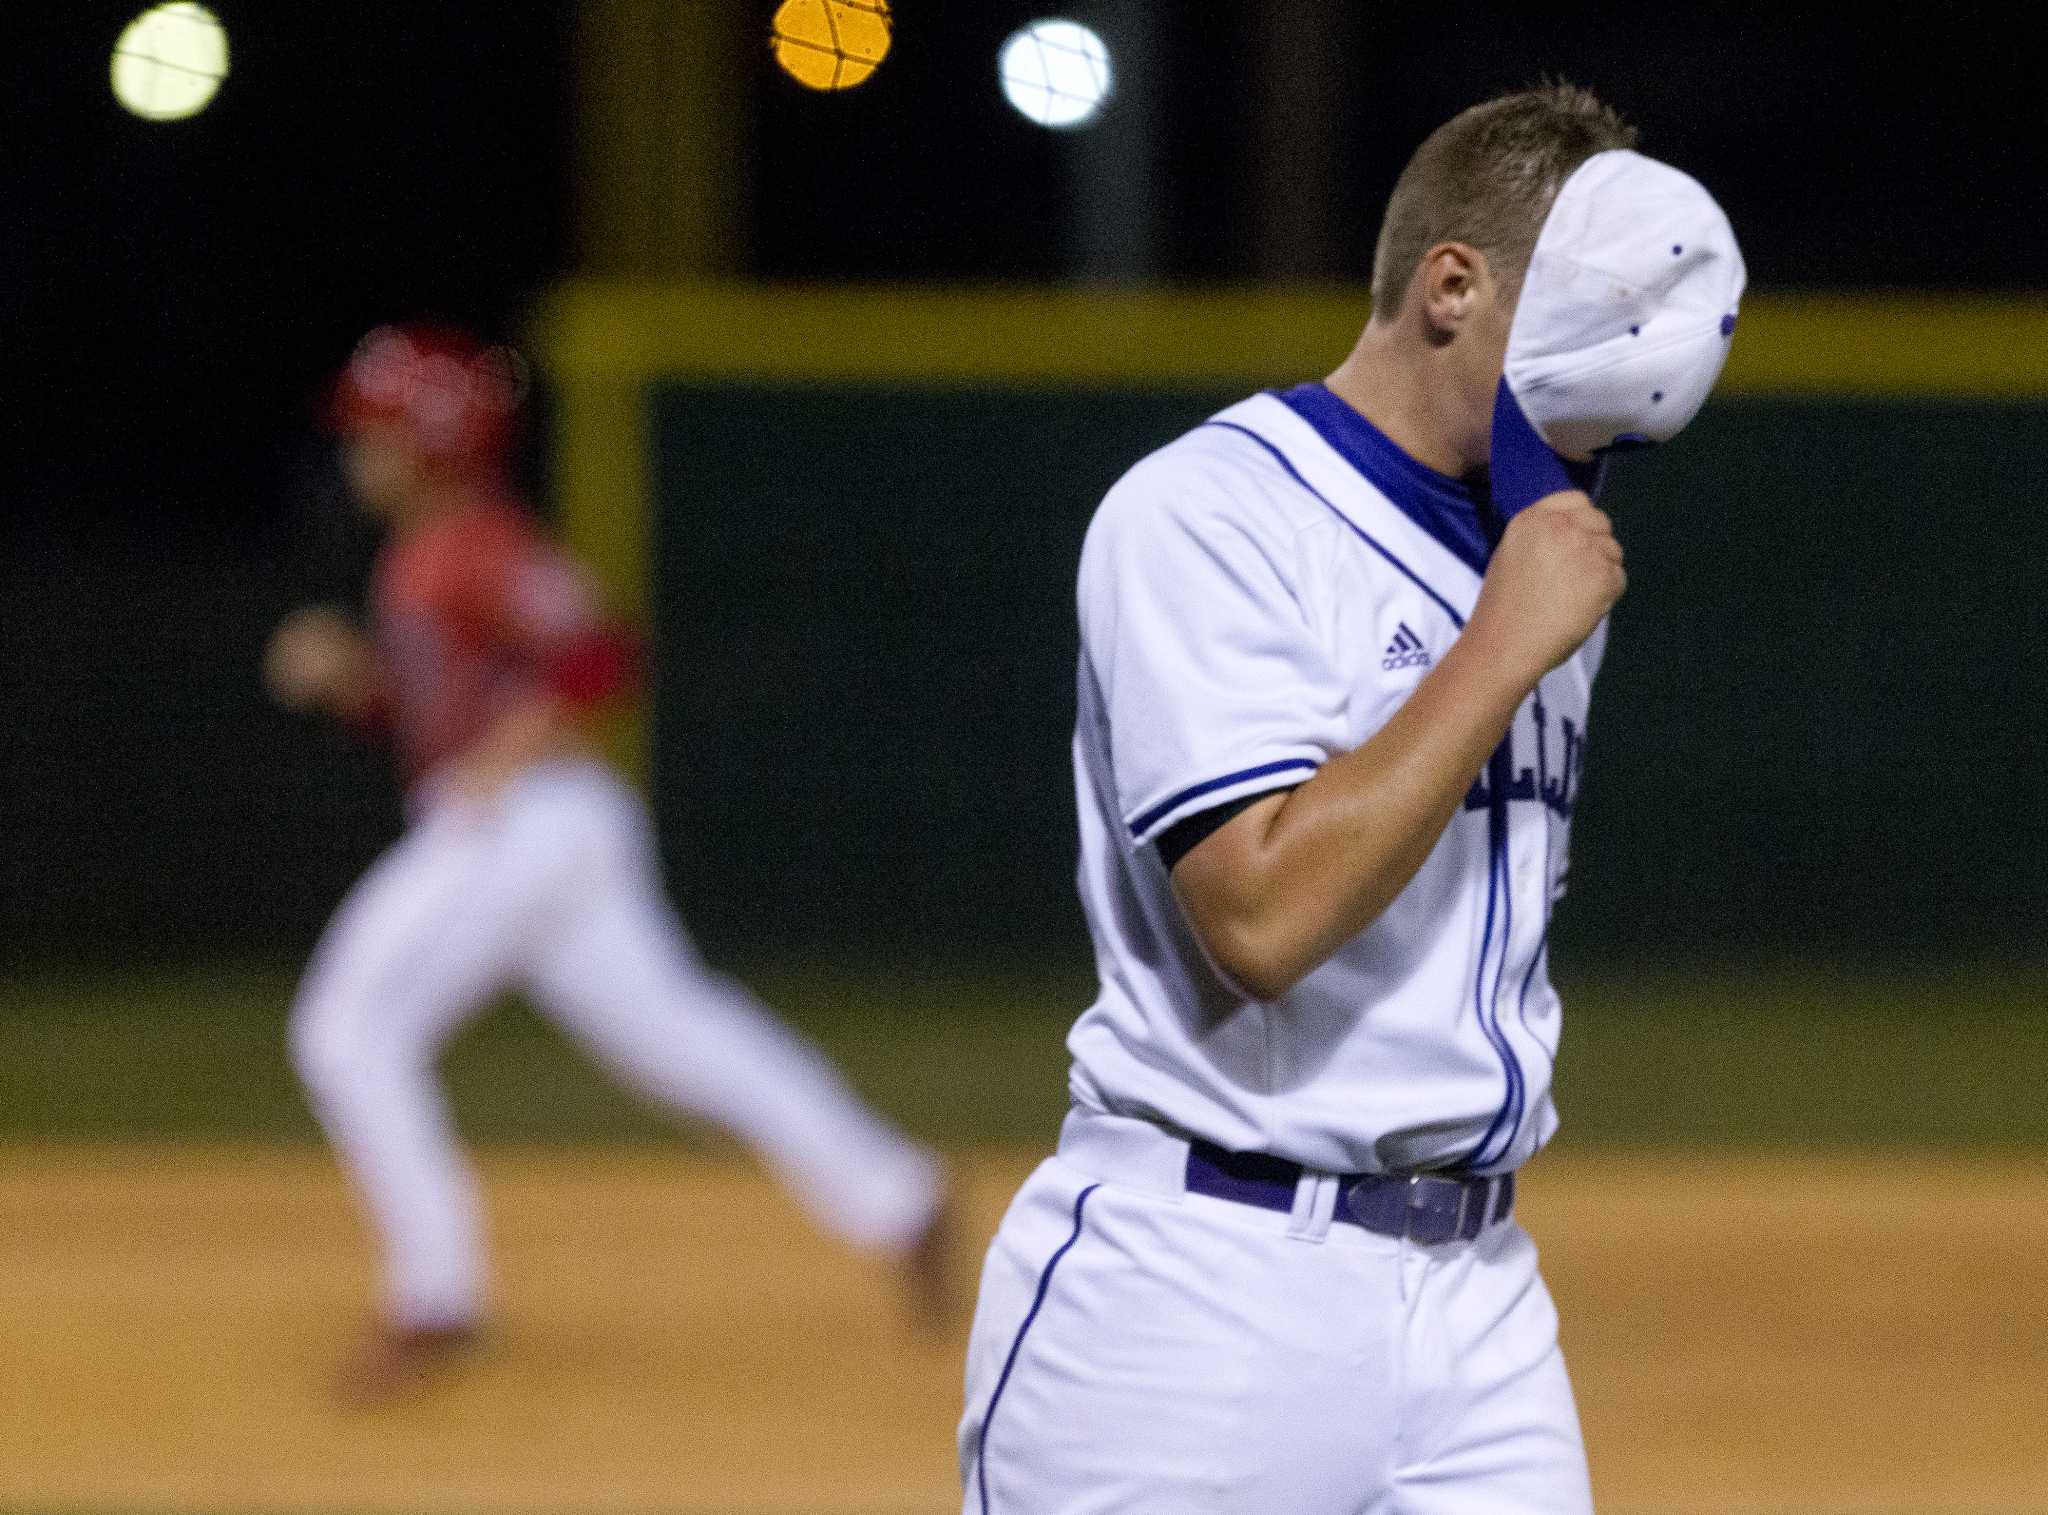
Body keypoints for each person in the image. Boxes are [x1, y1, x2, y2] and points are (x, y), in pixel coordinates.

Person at [957, 84, 1744, 1513]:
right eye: (1553, 388)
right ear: (1452, 284)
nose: (1576, 448)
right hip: (1196, 1299)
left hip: (1480, 1302)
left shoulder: (1537, 553)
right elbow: (1256, 911)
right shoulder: (1212, 512)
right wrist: (1500, 645)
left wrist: (1515, 623)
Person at [268, 323, 953, 1398]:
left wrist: (512, 745)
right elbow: (443, 708)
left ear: (433, 440)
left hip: (522, 825)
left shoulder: (479, 541)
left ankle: (435, 1300)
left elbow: (596, 650)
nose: (360, 448)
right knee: (674, 1037)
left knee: (347, 1030)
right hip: (546, 828)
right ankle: (898, 1196)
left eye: (379, 428)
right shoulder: (431, 549)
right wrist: (356, 682)